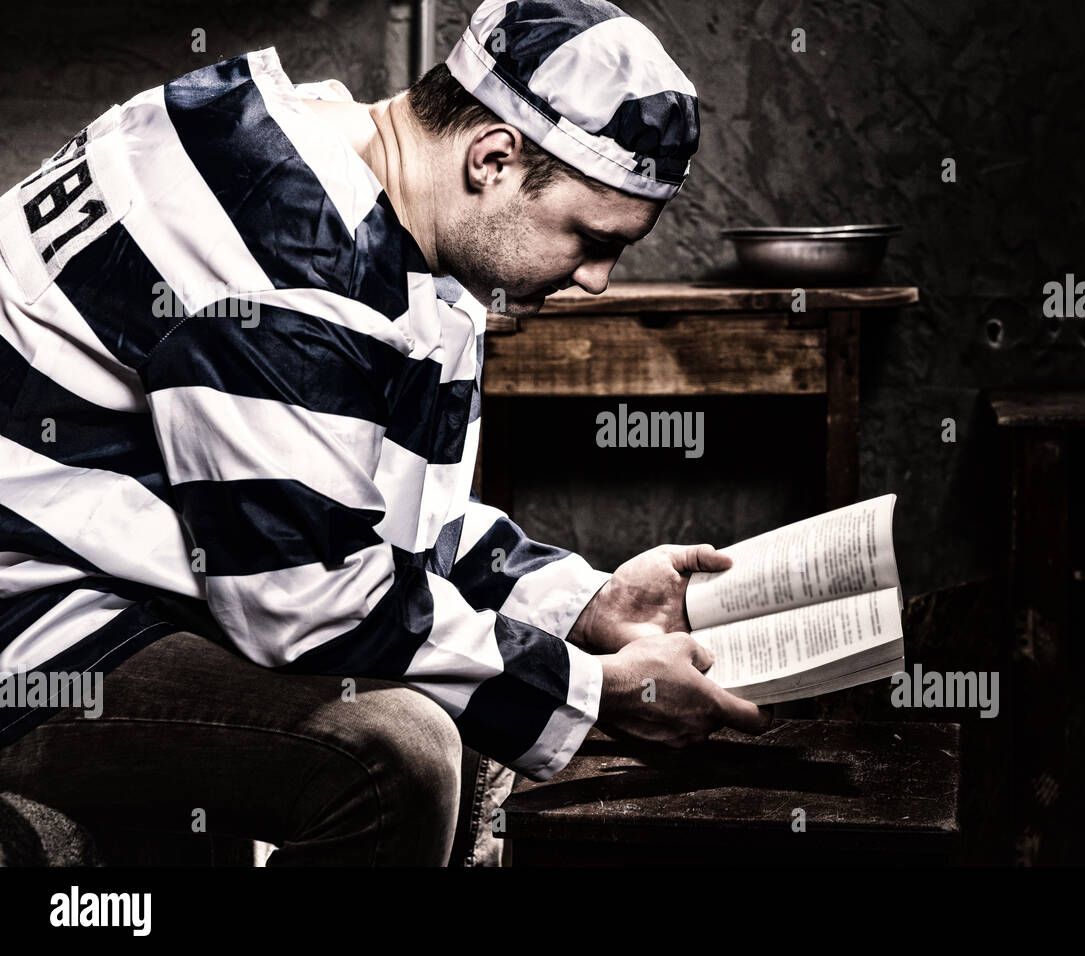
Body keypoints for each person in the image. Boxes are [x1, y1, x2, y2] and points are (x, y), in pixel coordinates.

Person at [0, 0, 769, 866]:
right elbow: (306, 605)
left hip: (92, 583)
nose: (595, 280)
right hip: (26, 632)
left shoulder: (333, 167)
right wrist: (591, 693)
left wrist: (583, 603)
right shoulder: (295, 264)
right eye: (591, 239)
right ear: (493, 156)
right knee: (395, 752)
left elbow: (376, 513)